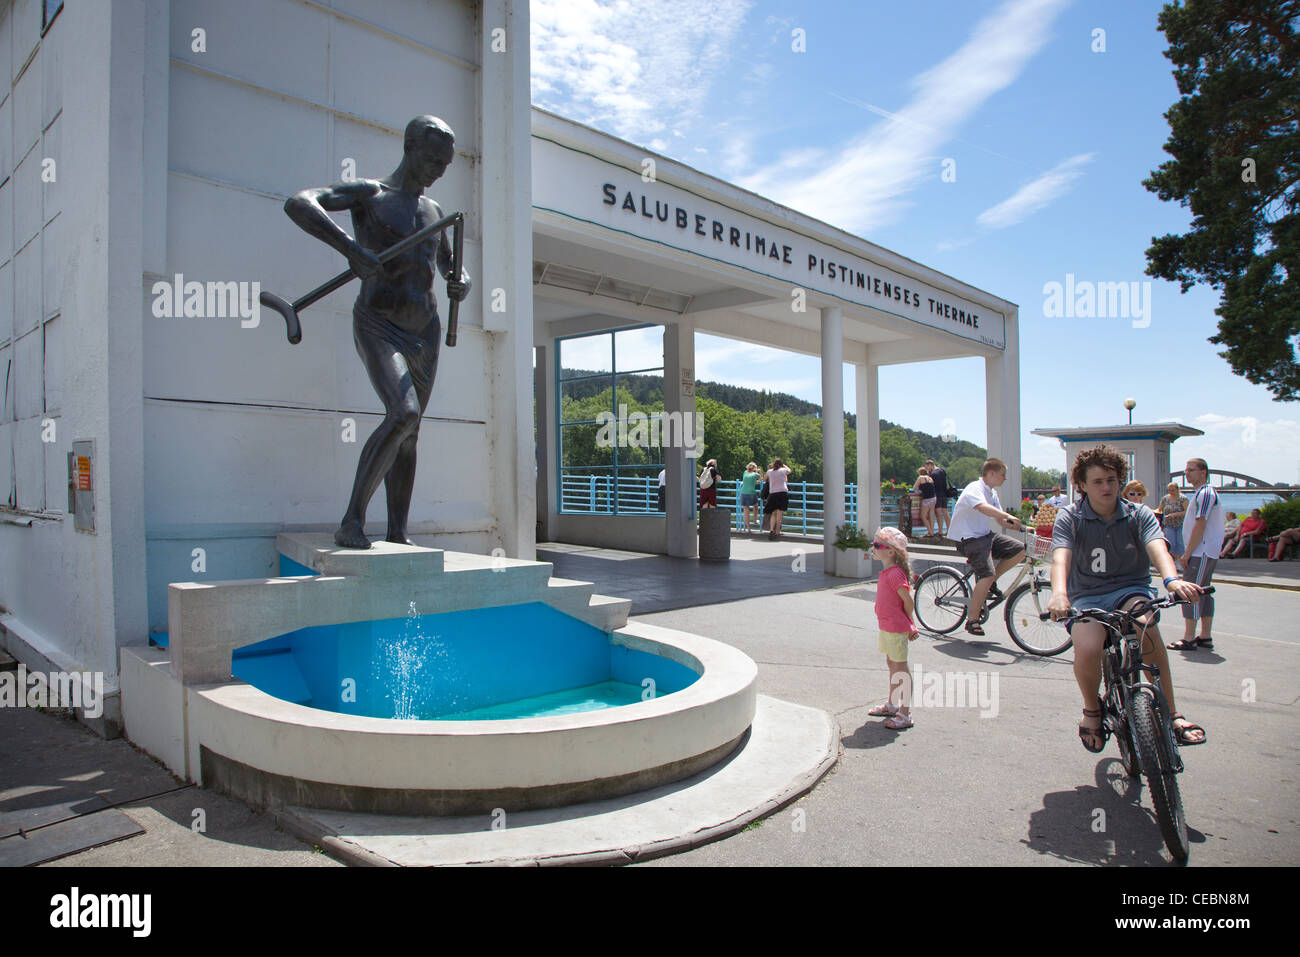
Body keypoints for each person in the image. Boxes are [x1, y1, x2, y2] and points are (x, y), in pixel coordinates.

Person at [285, 115, 471, 548]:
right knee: (403, 413)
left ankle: (397, 533)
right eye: (431, 159)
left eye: (444, 164)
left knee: (412, 432)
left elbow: (448, 262)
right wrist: (350, 248)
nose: (437, 171)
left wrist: (460, 280)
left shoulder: (436, 212)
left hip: (425, 332)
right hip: (378, 323)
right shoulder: (370, 194)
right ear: (408, 147)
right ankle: (352, 519)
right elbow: (300, 202)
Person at [1048, 445, 1207, 749]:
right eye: (1097, 482)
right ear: (1081, 485)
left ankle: (1173, 714)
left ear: (1120, 480)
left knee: (1145, 624)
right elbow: (1060, 559)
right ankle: (1091, 710)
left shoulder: (1139, 513)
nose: (1106, 487)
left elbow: (1157, 547)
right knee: (1089, 645)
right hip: (1087, 596)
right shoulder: (1070, 516)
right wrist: (1059, 595)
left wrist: (1172, 580)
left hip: (1130, 589)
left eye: (1111, 479)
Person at [945, 457, 1025, 636]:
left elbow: (1000, 519)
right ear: (991, 473)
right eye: (1002, 475)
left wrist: (1022, 526)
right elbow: (982, 508)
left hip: (985, 536)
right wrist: (1006, 516)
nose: (1005, 478)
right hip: (969, 538)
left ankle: (990, 582)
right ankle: (972, 620)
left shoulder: (992, 493)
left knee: (1020, 549)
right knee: (986, 575)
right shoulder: (975, 488)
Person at [1168, 457, 1224, 651]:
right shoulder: (1202, 493)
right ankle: (1205, 635)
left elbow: (1201, 524)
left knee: (1190, 591)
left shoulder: (1206, 493)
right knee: (1204, 592)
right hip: (1205, 551)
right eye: (1186, 470)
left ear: (1203, 473)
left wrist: (1187, 553)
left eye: (1191, 470)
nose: (1187, 473)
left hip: (1202, 551)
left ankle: (1189, 637)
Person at [866, 527, 918, 731]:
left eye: (878, 545)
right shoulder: (888, 572)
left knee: (900, 667)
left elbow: (908, 601)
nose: (874, 547)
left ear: (891, 552)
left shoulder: (895, 574)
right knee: (892, 663)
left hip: (896, 627)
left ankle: (904, 713)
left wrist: (910, 623)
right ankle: (892, 703)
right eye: (874, 543)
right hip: (887, 627)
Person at [1158, 482, 1187, 558]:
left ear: (1177, 489)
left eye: (1173, 490)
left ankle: (1180, 562)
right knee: (1170, 543)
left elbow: (1187, 511)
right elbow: (1159, 510)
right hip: (1168, 525)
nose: (1171, 492)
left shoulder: (1183, 499)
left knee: (1180, 544)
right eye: (1169, 490)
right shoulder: (1165, 499)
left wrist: (1175, 514)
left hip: (1180, 525)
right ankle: (1170, 560)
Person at [765, 458, 792, 540]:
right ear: (781, 464)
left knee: (773, 513)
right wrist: (784, 465)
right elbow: (789, 471)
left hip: (772, 493)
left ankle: (771, 529)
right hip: (782, 493)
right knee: (780, 513)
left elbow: (765, 478)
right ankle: (777, 531)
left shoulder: (769, 471)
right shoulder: (783, 470)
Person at [925, 460, 951, 536]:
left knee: (939, 513)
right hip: (944, 494)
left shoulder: (933, 474)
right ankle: (949, 530)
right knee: (945, 513)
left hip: (937, 494)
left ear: (930, 465)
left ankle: (940, 531)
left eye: (927, 467)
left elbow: (930, 485)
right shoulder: (942, 470)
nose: (927, 469)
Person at [737, 462, 762, 533]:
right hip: (751, 493)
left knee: (746, 510)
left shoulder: (745, 472)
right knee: (756, 506)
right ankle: (754, 520)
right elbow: (761, 479)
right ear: (755, 468)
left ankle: (748, 528)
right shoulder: (755, 474)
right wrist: (759, 472)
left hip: (743, 492)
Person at [913, 466, 937, 536]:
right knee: (931, 516)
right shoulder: (930, 478)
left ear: (920, 473)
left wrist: (919, 492)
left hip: (926, 499)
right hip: (933, 498)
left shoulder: (920, 478)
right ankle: (931, 531)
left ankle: (930, 532)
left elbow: (915, 488)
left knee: (923, 516)